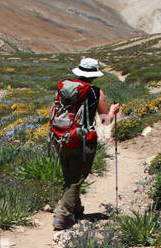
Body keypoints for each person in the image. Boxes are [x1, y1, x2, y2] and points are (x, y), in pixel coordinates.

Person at [50, 56, 120, 230]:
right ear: (95, 74)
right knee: (77, 178)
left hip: (61, 137)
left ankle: (77, 210)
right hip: (83, 140)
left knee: (70, 175)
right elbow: (105, 121)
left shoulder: (65, 88)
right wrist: (113, 110)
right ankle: (62, 216)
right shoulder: (95, 92)